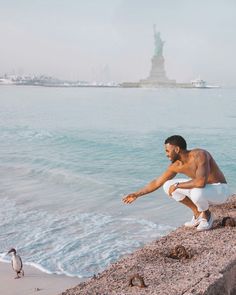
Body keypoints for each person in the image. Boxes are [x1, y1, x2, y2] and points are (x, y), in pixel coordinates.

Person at [122, 135, 230, 231]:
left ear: (177, 149)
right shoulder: (176, 166)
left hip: (219, 191)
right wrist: (137, 194)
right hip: (203, 189)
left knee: (196, 191)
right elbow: (156, 182)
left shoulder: (199, 155)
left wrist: (178, 185)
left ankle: (207, 216)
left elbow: (200, 182)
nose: (166, 154)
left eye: (167, 151)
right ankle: (198, 214)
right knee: (167, 185)